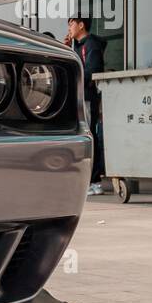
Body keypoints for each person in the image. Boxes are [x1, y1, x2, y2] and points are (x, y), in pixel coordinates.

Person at [66, 16, 106, 196]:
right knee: (83, 137)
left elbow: (91, 71)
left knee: (89, 136)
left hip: (88, 97)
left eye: (71, 24)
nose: (69, 28)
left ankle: (95, 181)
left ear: (81, 25)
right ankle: (88, 180)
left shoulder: (90, 45)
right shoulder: (77, 45)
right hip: (80, 97)